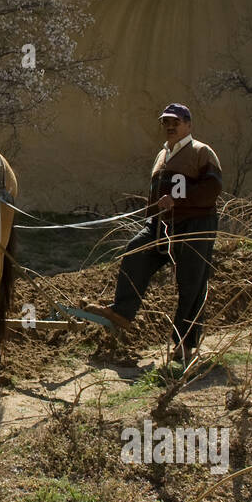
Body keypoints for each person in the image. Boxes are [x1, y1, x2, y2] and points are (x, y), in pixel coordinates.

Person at [89, 104, 222, 363]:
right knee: (135, 252)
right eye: (166, 122)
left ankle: (185, 344)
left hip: (194, 225)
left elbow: (212, 188)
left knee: (191, 284)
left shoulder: (201, 152)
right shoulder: (163, 154)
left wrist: (177, 201)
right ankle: (122, 312)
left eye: (176, 122)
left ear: (188, 125)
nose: (170, 126)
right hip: (160, 225)